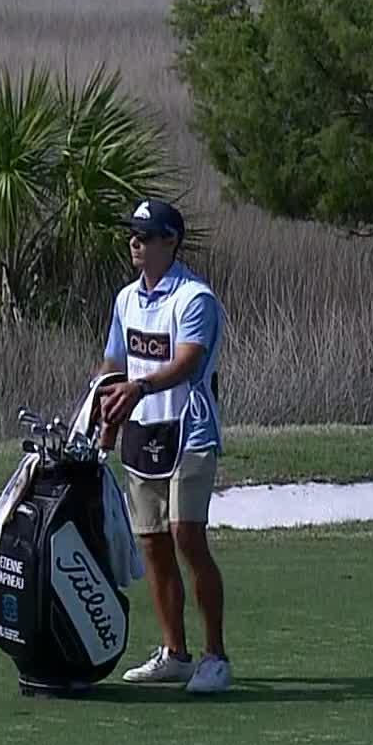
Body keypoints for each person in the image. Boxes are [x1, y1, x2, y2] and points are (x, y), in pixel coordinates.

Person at [96, 197, 232, 693]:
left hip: (189, 430)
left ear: (171, 242)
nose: (136, 243)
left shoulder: (194, 298)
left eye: (146, 235)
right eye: (133, 234)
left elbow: (188, 362)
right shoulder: (125, 299)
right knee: (152, 543)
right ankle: (174, 652)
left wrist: (138, 389)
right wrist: (102, 407)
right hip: (142, 431)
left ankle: (216, 657)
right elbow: (115, 363)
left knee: (187, 539)